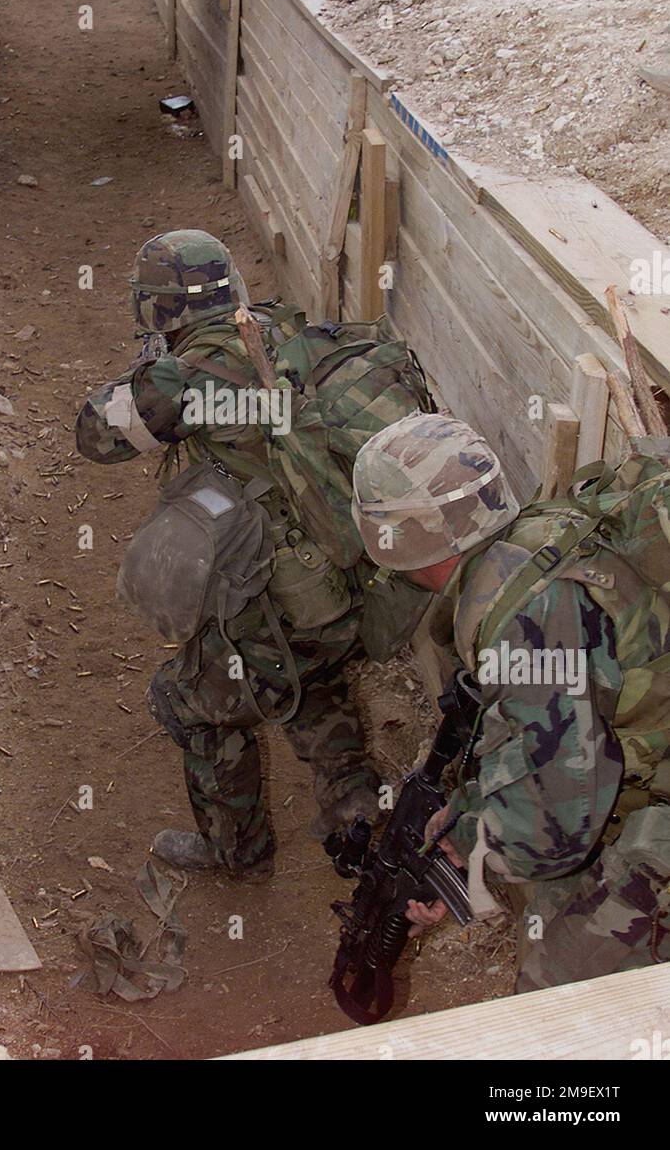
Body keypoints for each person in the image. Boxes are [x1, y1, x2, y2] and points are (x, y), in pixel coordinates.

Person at [75, 228, 425, 880]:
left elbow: (94, 434)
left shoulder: (185, 376)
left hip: (282, 603)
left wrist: (152, 369)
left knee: (187, 704)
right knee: (313, 683)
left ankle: (236, 852)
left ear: (154, 310)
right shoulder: (282, 331)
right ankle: (356, 809)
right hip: (353, 585)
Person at [351, 410, 670, 990]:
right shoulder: (534, 544)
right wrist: (466, 819)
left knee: (552, 993)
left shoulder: (523, 611)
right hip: (633, 767)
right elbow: (539, 742)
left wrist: (462, 859)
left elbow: (553, 834)